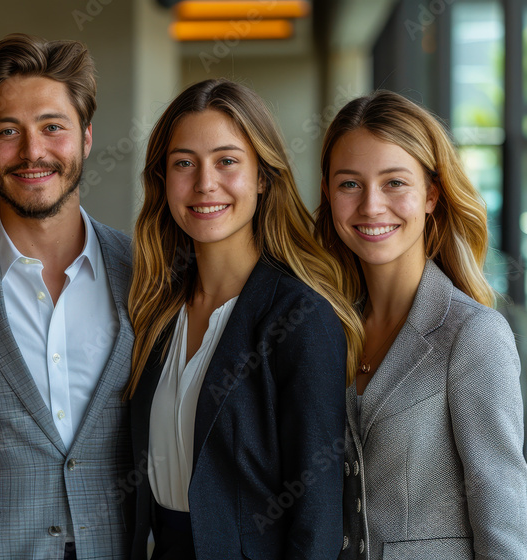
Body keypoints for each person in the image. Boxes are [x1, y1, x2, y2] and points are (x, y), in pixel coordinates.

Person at [126, 78, 364, 559]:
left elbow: (317, 519)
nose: (204, 183)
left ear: (262, 177)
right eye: (184, 163)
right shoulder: (155, 309)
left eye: (227, 161)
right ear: (162, 180)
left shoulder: (301, 316)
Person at [0, 34, 134, 559]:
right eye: (8, 131)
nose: (32, 152)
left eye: (52, 127)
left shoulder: (145, 271)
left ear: (86, 137)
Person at [315, 90, 527, 560]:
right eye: (349, 184)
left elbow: (505, 529)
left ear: (431, 194)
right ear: (328, 193)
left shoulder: (474, 336)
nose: (371, 205)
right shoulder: (324, 327)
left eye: (394, 182)